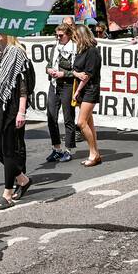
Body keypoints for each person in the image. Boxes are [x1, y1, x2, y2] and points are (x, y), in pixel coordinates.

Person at [0, 34, 32, 210]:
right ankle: (22, 179)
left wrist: (21, 112)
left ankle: (7, 194)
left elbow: (23, 86)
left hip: (11, 106)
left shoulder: (18, 53)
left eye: (0, 29)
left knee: (8, 150)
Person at [70, 24, 103, 167]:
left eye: (75, 36)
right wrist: (76, 74)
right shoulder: (81, 51)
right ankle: (95, 153)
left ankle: (93, 154)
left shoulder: (92, 52)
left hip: (90, 89)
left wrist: (77, 91)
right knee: (89, 123)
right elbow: (76, 71)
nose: (73, 39)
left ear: (81, 36)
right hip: (83, 89)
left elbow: (87, 75)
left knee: (81, 123)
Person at [45, 23, 77, 164]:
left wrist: (63, 73)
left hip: (67, 85)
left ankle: (68, 149)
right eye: (56, 35)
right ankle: (56, 148)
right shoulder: (55, 48)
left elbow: (77, 71)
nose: (58, 38)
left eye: (61, 35)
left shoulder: (75, 49)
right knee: (51, 116)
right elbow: (49, 64)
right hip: (54, 85)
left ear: (68, 35)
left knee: (68, 117)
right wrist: (49, 70)